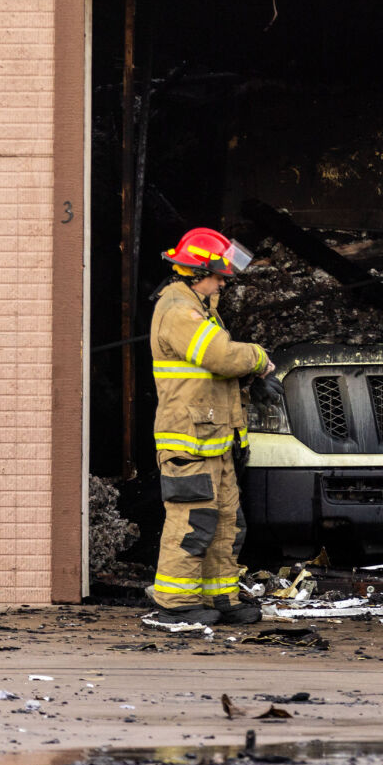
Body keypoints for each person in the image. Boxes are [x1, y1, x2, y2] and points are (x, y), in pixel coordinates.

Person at [146, 227, 275, 628]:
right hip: (189, 440)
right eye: (218, 276)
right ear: (196, 272)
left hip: (213, 440)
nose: (223, 282)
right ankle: (176, 600)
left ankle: (221, 596)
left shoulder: (199, 307)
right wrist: (260, 359)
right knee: (192, 522)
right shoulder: (178, 309)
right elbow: (219, 355)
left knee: (225, 523)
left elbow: (213, 377)